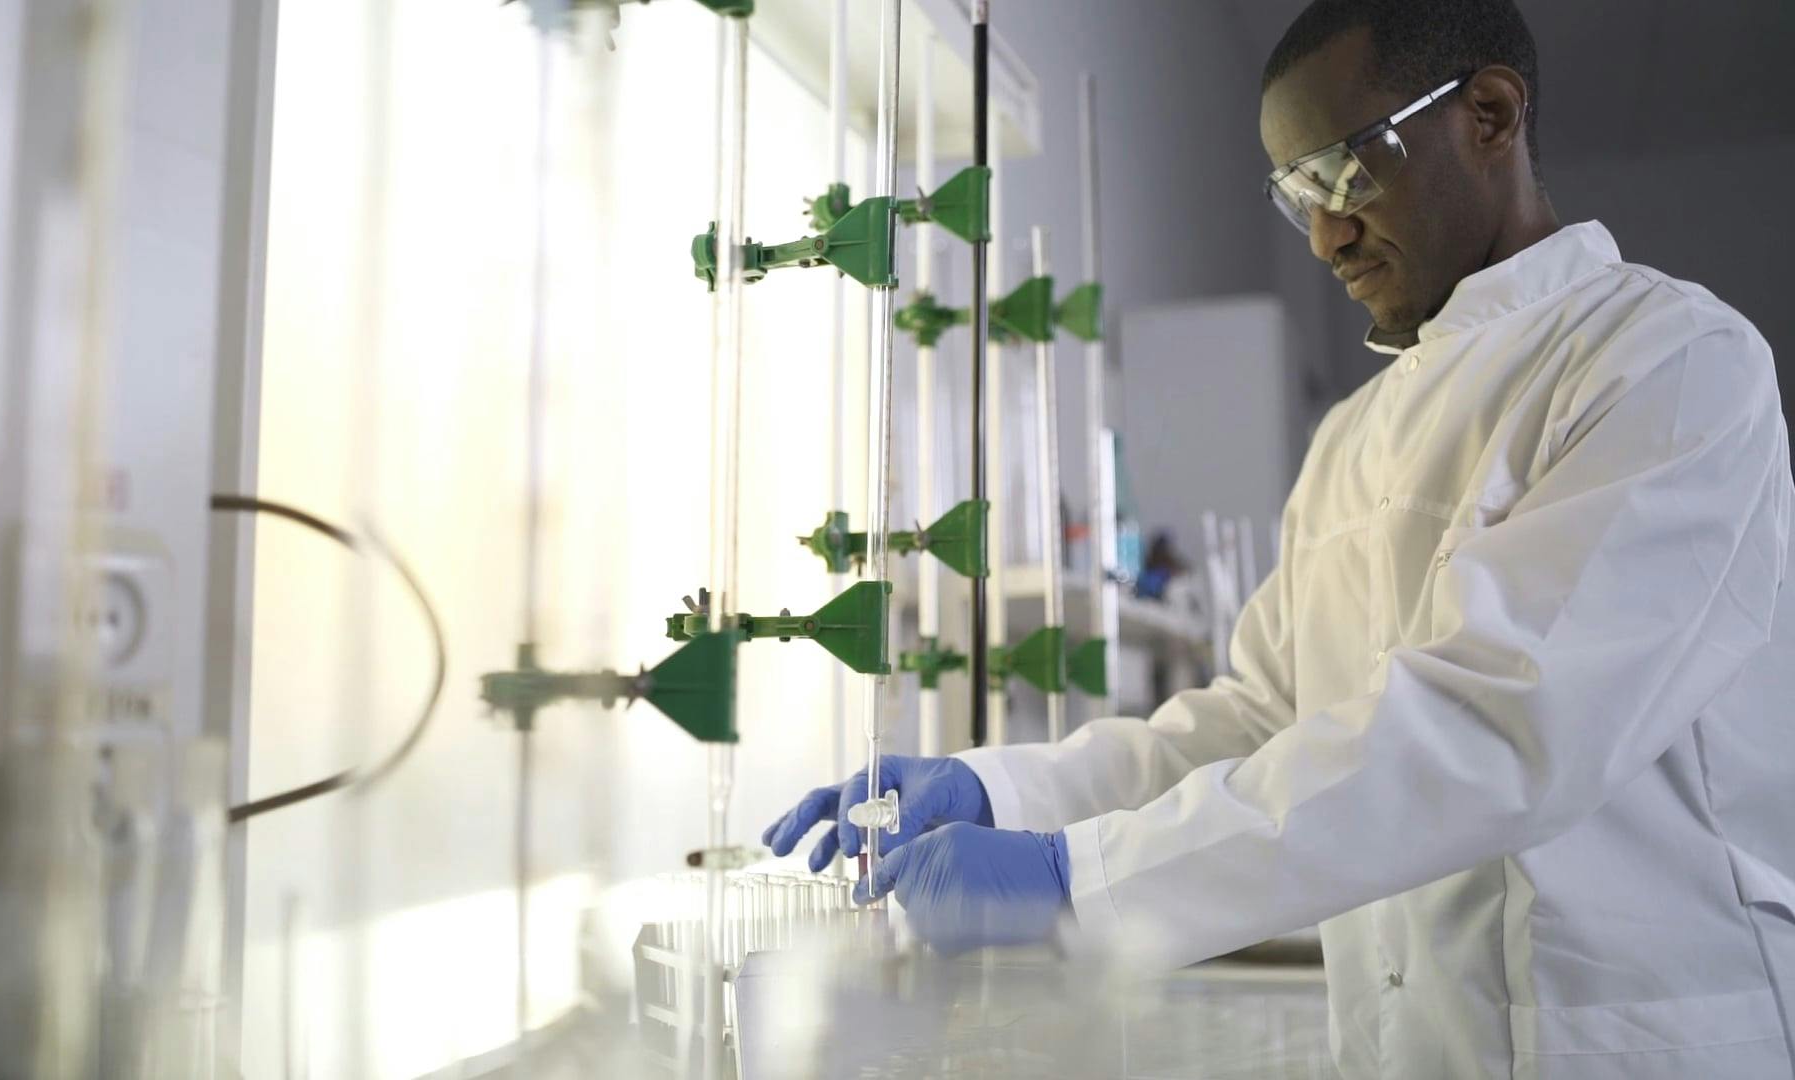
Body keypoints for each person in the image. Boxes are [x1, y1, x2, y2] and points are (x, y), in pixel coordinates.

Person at [763, 0, 1795, 1075]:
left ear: (1488, 113)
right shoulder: (1354, 437)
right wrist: (1006, 792)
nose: (1322, 233)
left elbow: (1500, 724)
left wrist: (1080, 880)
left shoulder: (1669, 362)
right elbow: (1260, 720)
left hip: (1647, 1042)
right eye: (1297, 190)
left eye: (1347, 172)